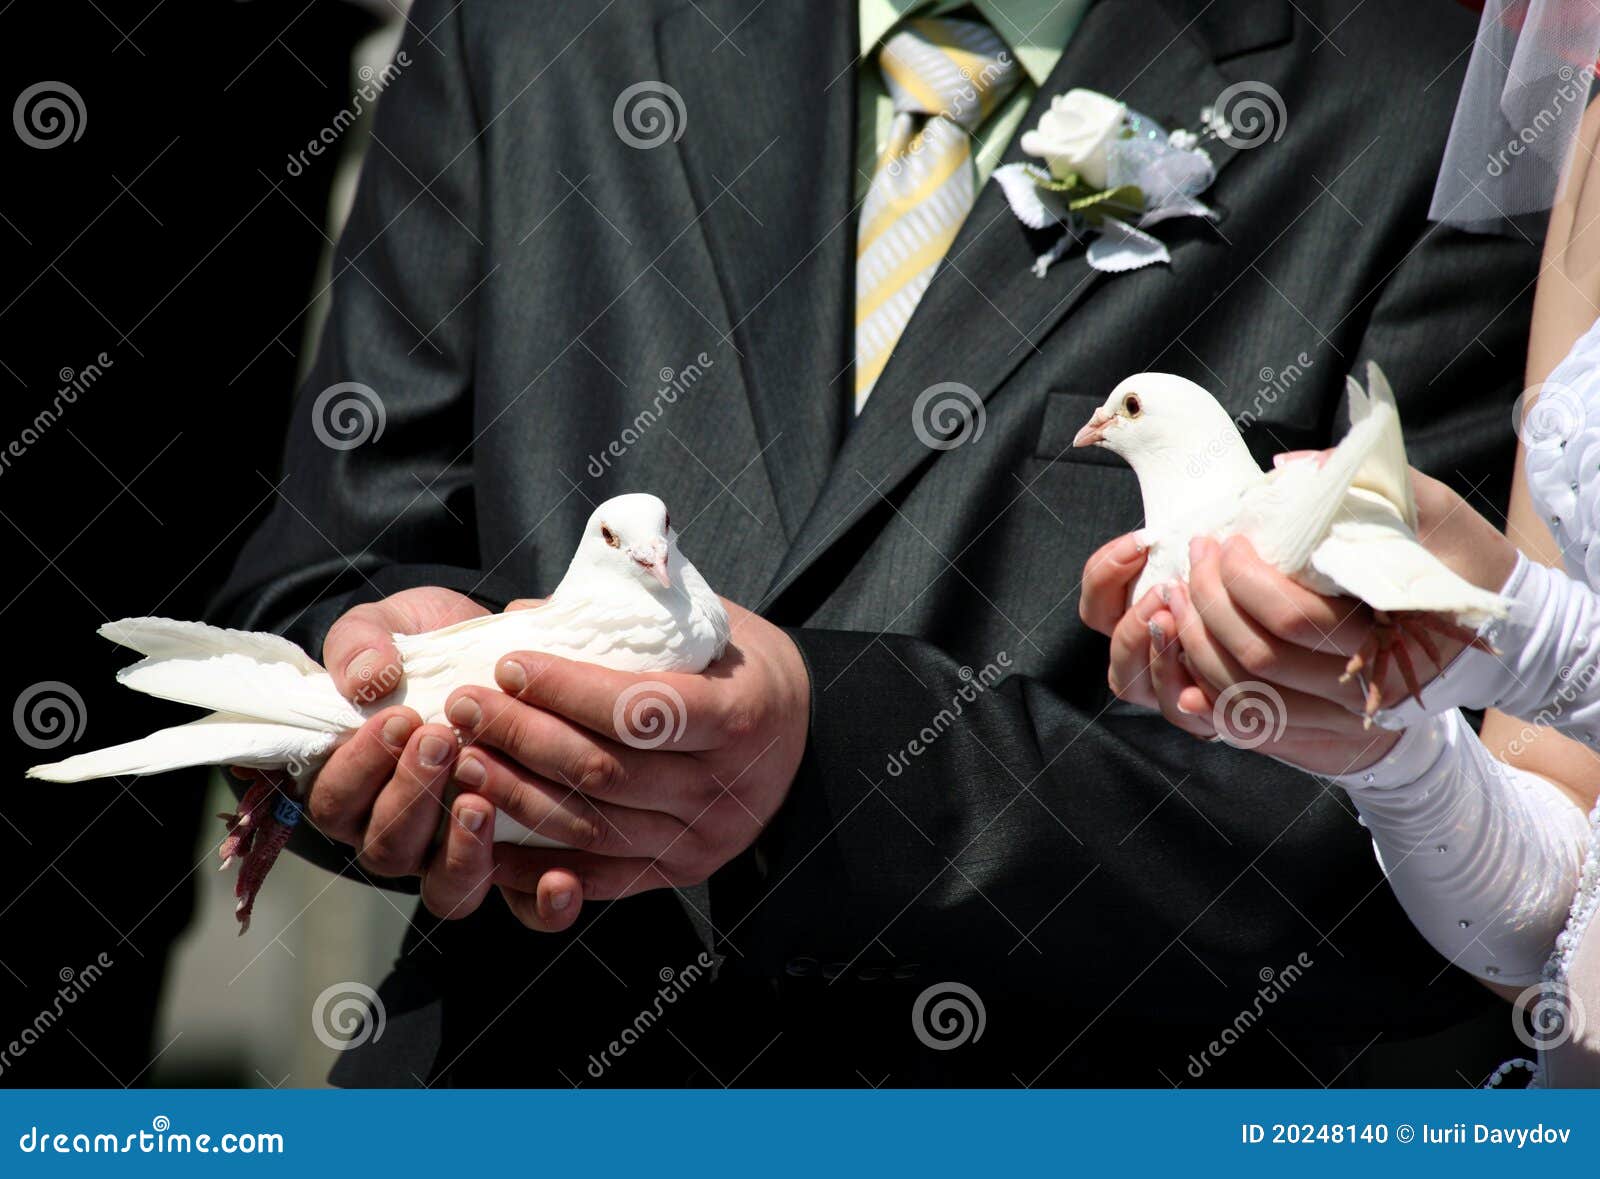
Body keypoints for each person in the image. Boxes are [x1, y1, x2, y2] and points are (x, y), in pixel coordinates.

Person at [212, 0, 1536, 1085]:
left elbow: (1454, 845)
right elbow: (325, 575)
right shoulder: (537, 27)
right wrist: (388, 707)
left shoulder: (1437, 98)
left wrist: (834, 762)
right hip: (520, 1076)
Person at [1080, 2, 1600, 1085]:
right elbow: (1549, 924)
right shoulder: (1592, 140)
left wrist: (1536, 637)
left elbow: (1543, 645)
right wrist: (1388, 754)